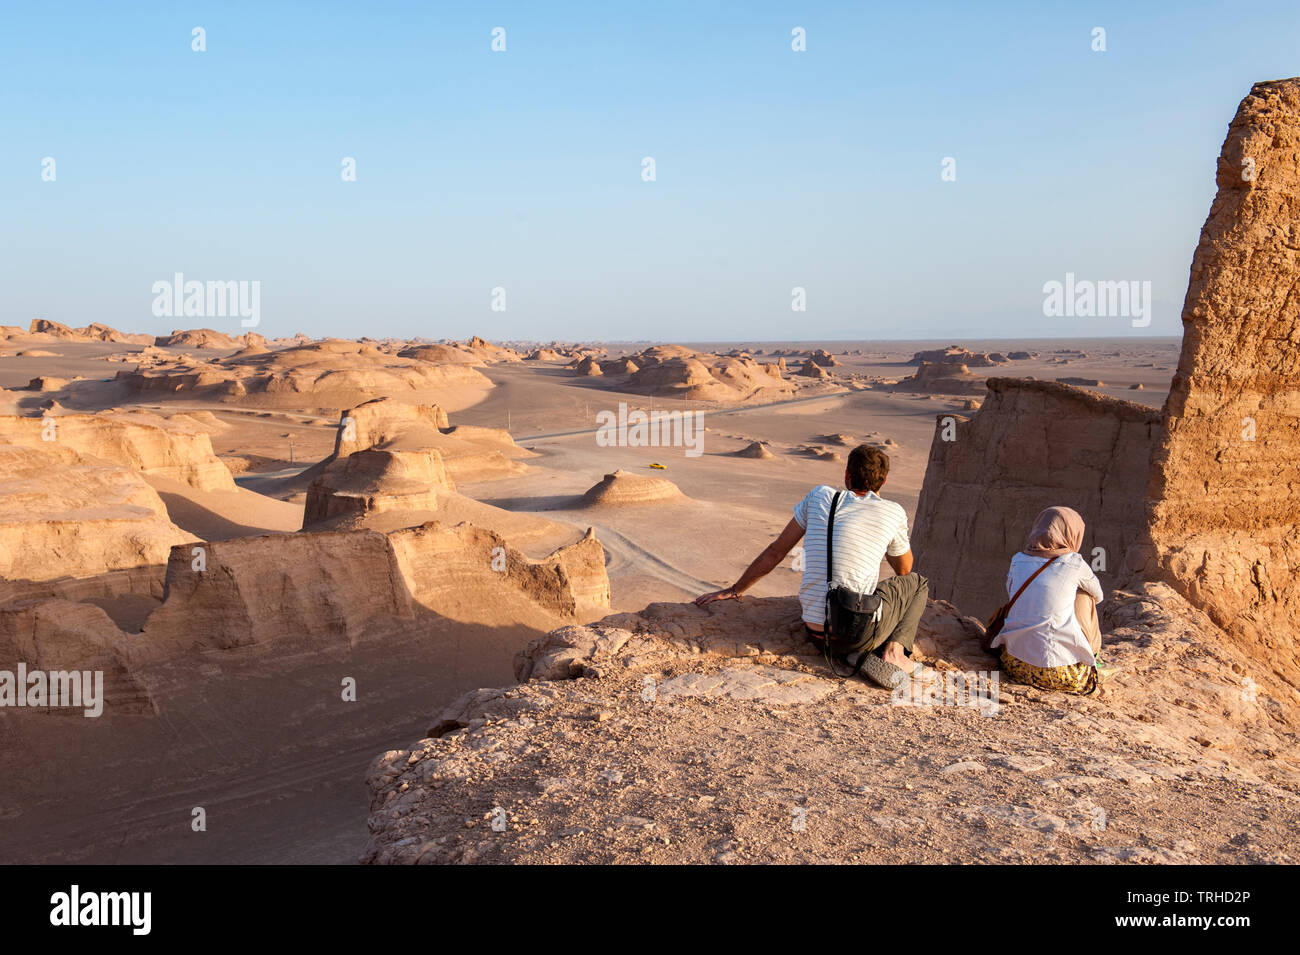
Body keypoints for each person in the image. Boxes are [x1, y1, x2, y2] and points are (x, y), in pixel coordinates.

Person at [695, 444, 929, 687]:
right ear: (884, 481)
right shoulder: (892, 511)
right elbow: (904, 571)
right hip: (855, 630)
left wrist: (735, 589)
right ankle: (894, 654)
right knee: (917, 583)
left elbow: (776, 552)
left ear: (847, 474)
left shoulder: (819, 496)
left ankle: (852, 654)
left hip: (817, 634)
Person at [991, 505, 1104, 695]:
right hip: (1060, 674)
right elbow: (1099, 596)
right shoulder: (1075, 563)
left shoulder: (1017, 559)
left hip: (1013, 664)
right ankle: (1091, 657)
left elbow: (1011, 591)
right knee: (1085, 596)